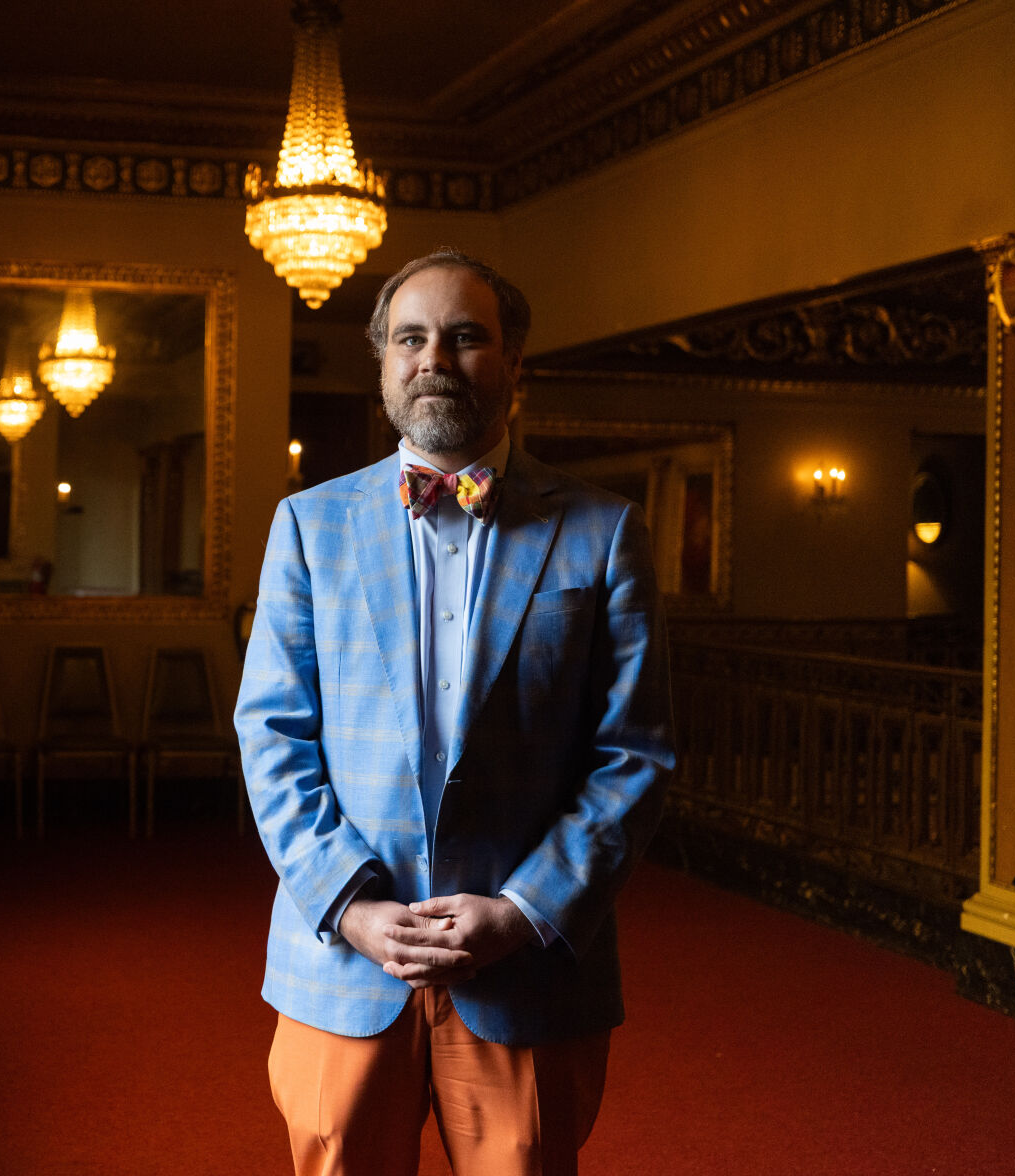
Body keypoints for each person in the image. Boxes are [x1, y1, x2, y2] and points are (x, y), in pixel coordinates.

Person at [234, 248, 675, 1176]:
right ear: (385, 363)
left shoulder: (603, 532)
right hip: (343, 965)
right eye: (410, 337)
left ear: (514, 363)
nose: (433, 356)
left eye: (465, 336)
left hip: (527, 969)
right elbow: (272, 735)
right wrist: (350, 906)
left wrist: (520, 911)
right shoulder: (309, 525)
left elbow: (631, 755)